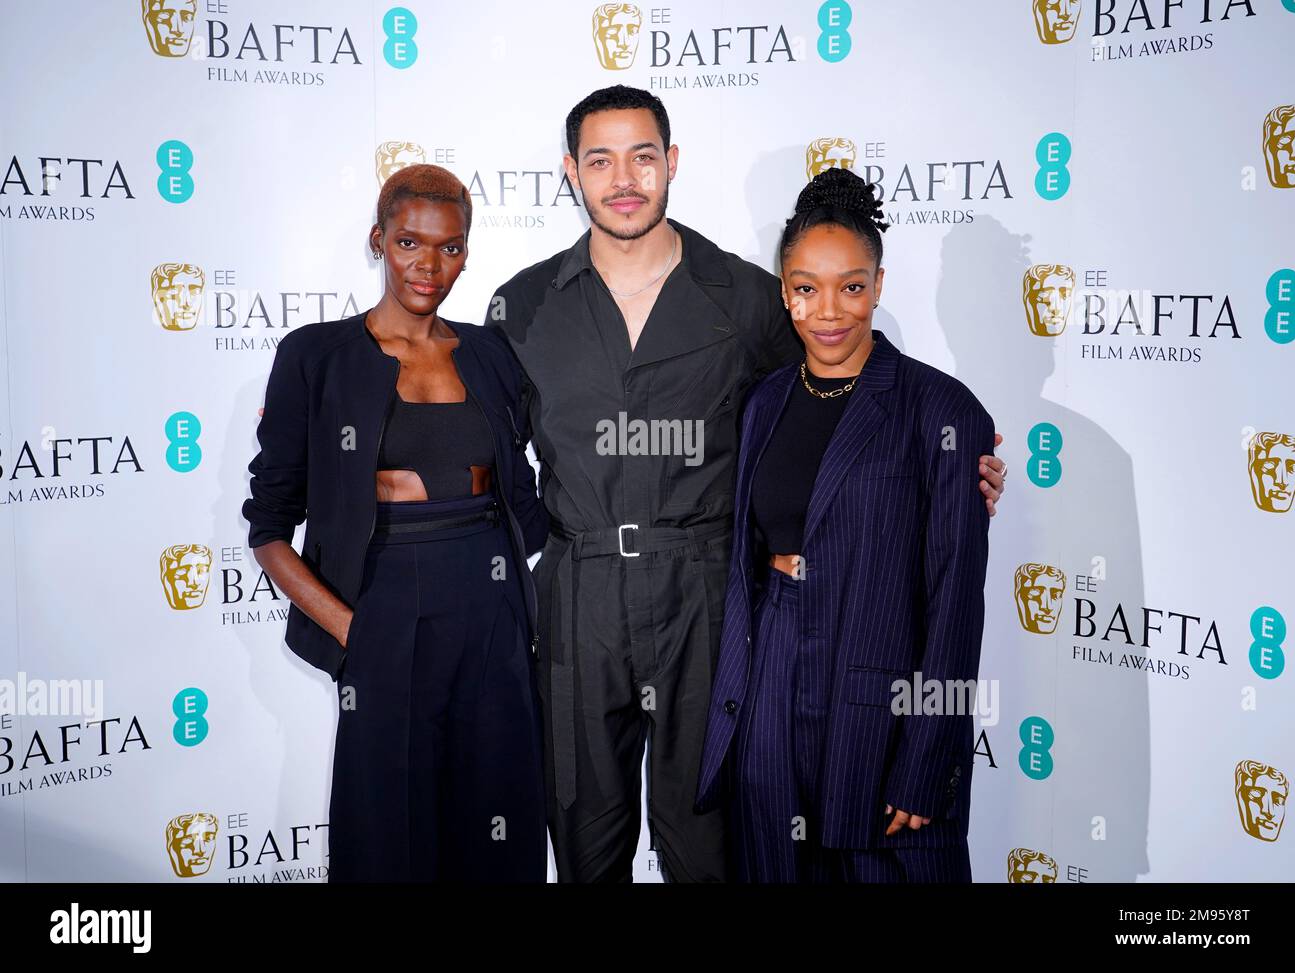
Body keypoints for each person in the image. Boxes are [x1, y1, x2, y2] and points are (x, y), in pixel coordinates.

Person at [484, 84, 1008, 882]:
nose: (624, 178)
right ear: (571, 171)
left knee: (709, 849)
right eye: (601, 160)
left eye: (642, 156)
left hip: (706, 597)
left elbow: (830, 408)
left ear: (673, 163)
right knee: (585, 843)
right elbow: (486, 444)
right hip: (578, 600)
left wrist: (944, 476)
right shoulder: (520, 306)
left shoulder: (752, 299)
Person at [242, 164, 549, 882]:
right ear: (378, 239)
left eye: (450, 247)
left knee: (498, 819)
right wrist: (353, 628)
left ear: (467, 252)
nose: (429, 264)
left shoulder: (491, 353)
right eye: (410, 242)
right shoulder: (317, 356)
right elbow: (268, 526)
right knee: (389, 829)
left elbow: (523, 492)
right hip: (385, 608)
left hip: (492, 607)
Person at [695, 167, 994, 883]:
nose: (828, 310)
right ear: (784, 291)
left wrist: (926, 762)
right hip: (771, 671)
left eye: (851, 286)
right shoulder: (764, 402)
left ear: (879, 286)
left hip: (879, 692)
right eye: (806, 287)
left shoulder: (942, 411)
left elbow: (955, 603)